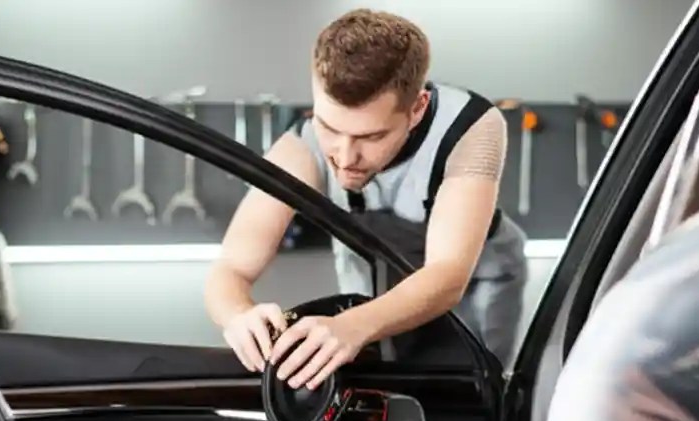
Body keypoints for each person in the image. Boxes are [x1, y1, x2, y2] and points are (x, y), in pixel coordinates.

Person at [204, 9, 527, 390]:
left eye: (371, 137)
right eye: (329, 127)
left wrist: (351, 325)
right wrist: (239, 314)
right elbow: (230, 269)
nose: (344, 155)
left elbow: (447, 275)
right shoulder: (300, 148)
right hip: (375, 271)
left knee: (478, 391)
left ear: (418, 108)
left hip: (477, 279)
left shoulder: (473, 127)